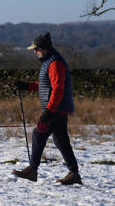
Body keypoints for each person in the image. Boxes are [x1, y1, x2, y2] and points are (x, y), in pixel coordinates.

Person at [13, 32, 82, 185]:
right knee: (61, 141)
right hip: (58, 108)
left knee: (38, 134)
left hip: (57, 108)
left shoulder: (55, 63)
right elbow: (46, 85)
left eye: (36, 49)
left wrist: (49, 112)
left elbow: (57, 89)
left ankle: (32, 170)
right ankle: (74, 174)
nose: (34, 52)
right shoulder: (50, 62)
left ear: (44, 49)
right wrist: (26, 85)